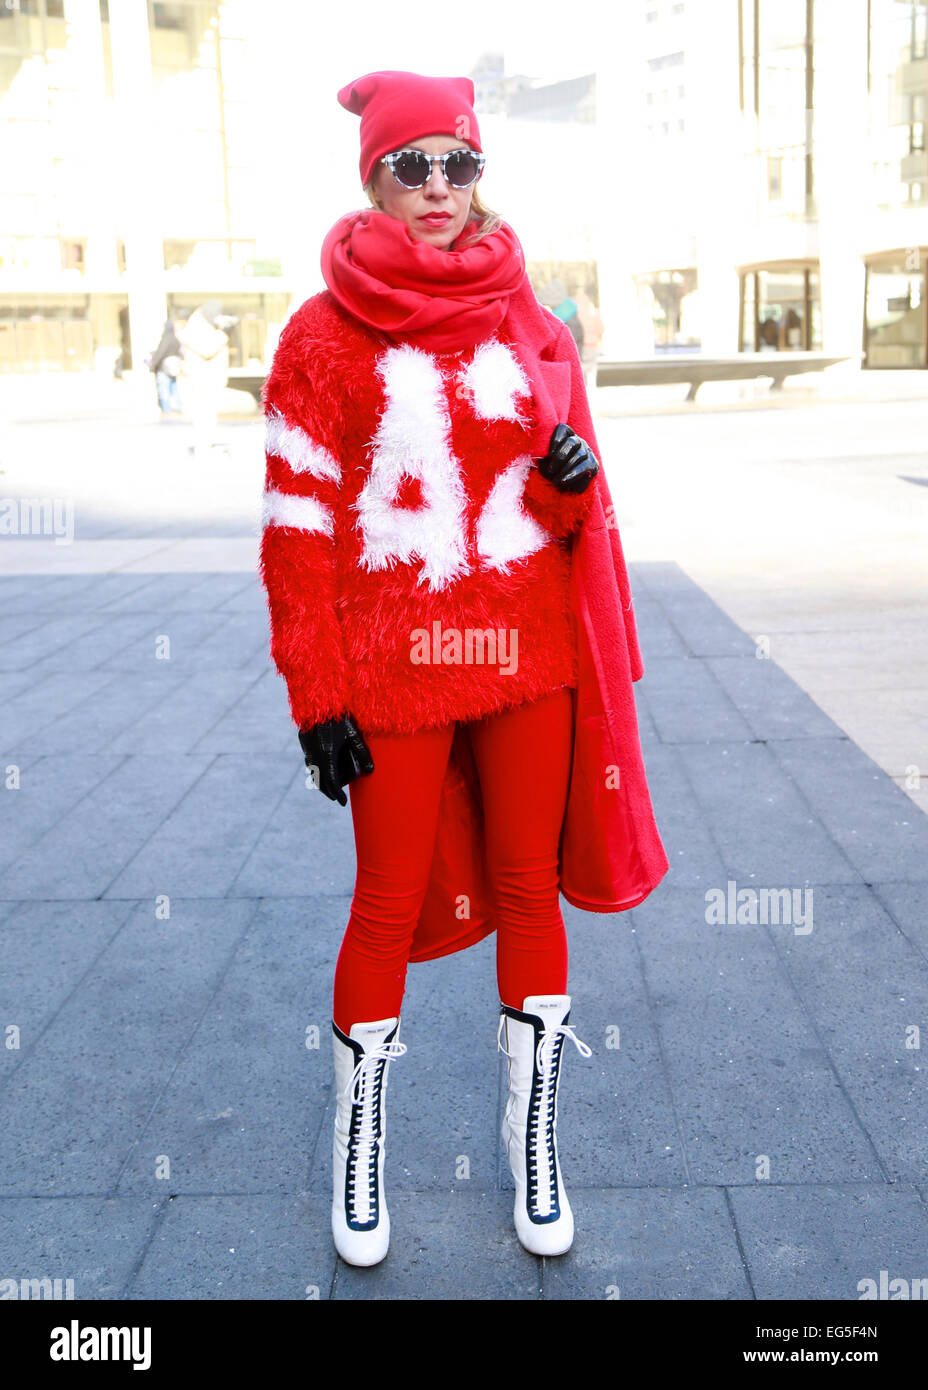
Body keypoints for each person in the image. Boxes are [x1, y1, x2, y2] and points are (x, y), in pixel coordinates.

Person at [258, 70, 668, 1269]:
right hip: (394, 670)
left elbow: (542, 500)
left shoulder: (528, 321)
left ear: (479, 175)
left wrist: (565, 483)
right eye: (410, 165)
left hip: (524, 651)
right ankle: (359, 1140)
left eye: (458, 163)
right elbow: (297, 529)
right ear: (371, 178)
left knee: (527, 894)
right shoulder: (319, 335)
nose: (436, 189)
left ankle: (531, 1140)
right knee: (383, 903)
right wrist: (315, 693)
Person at [176, 299, 233, 460]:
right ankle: (203, 447)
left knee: (208, 413)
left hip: (208, 377)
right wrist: (224, 334)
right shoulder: (196, 328)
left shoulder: (204, 326)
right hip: (203, 378)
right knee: (204, 413)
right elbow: (207, 350)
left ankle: (205, 445)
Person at [147, 316, 184, 416]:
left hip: (164, 368)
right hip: (173, 368)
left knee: (164, 389)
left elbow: (161, 352)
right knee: (173, 388)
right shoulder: (175, 339)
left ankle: (166, 409)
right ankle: (177, 407)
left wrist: (153, 362)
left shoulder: (166, 339)